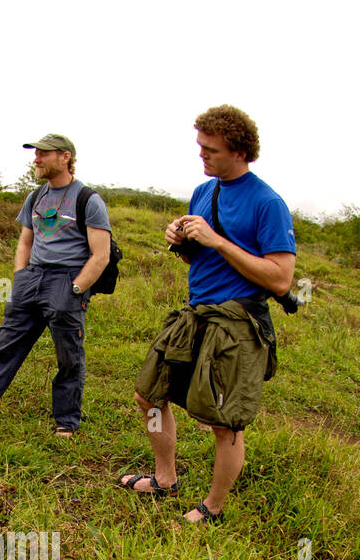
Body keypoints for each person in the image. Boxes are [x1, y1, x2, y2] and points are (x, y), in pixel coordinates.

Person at [119, 105, 295, 522]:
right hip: (194, 314)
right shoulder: (205, 191)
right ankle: (165, 478)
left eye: (210, 149)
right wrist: (183, 243)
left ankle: (212, 508)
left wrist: (216, 241)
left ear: (239, 151)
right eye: (200, 147)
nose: (202, 155)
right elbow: (201, 259)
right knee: (149, 393)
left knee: (225, 422)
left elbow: (281, 279)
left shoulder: (268, 203)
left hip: (236, 323)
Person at [0, 133, 111, 437]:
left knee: (68, 356)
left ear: (65, 157)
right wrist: (21, 276)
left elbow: (101, 254)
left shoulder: (88, 199)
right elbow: (25, 241)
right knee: (3, 350)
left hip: (66, 280)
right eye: (36, 153)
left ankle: (66, 422)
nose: (37, 159)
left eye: (44, 153)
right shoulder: (36, 197)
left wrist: (75, 289)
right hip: (32, 279)